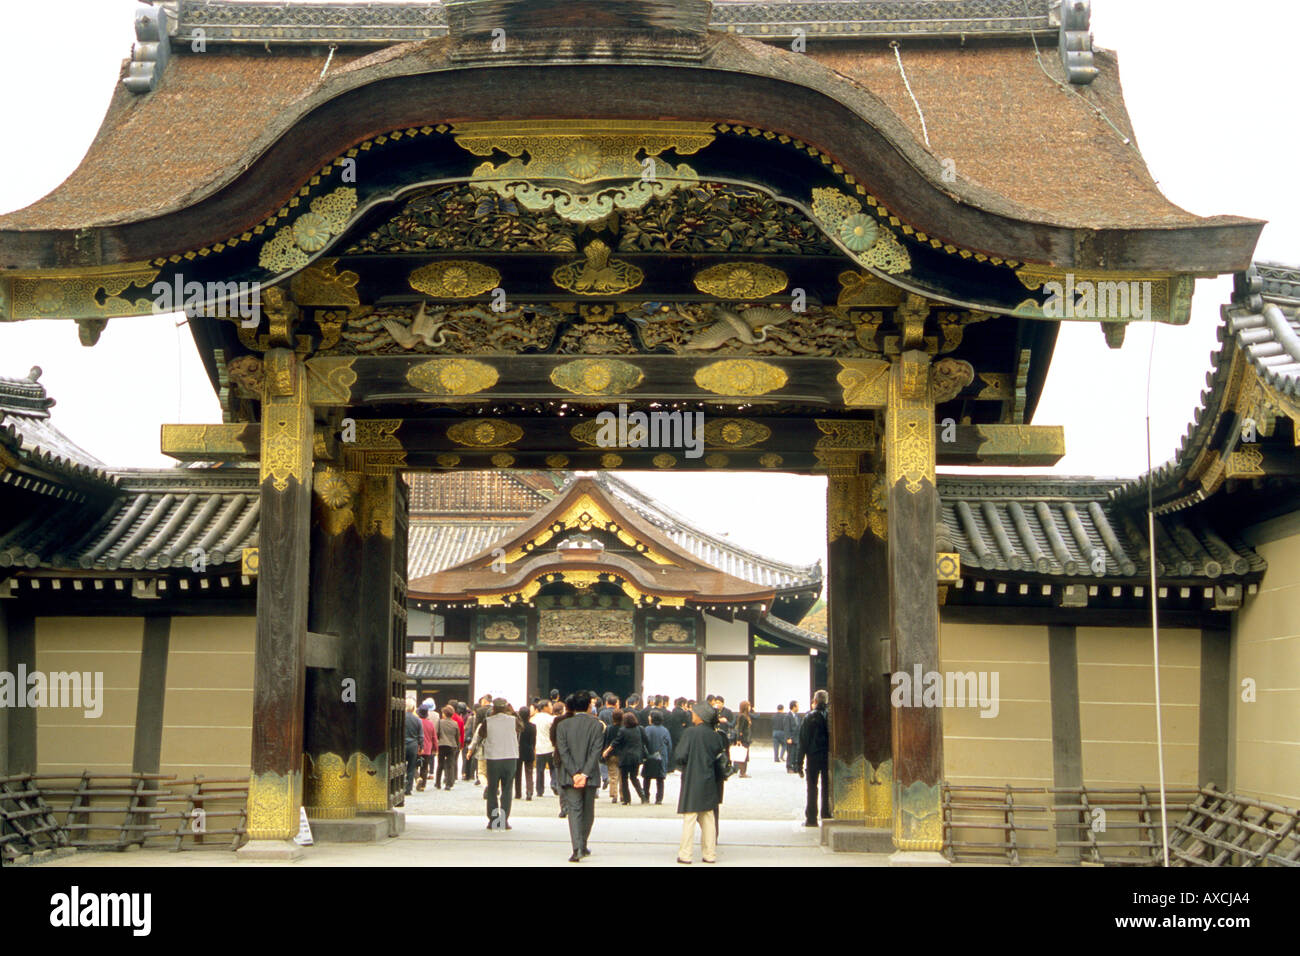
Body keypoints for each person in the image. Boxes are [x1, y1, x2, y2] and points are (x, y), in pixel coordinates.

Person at [555, 690, 605, 862]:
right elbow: (596, 751)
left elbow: (563, 751)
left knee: (574, 811)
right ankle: (583, 843)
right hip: (590, 775)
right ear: (589, 706)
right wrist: (584, 773)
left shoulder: (563, 726)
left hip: (570, 776)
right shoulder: (597, 725)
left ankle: (576, 848)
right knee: (588, 811)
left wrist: (575, 773)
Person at [674, 701, 724, 864]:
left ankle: (685, 854)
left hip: (691, 778)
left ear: (700, 716)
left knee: (690, 818)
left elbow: (680, 755)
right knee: (708, 818)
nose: (692, 715)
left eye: (694, 713)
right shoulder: (716, 736)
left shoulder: (690, 733)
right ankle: (710, 854)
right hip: (709, 780)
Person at [470, 697, 523, 830]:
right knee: (507, 789)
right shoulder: (513, 720)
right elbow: (522, 727)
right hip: (510, 757)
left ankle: (493, 820)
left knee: (493, 789)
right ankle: (504, 820)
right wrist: (514, 712)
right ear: (506, 707)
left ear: (493, 708)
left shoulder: (488, 721)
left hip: (493, 758)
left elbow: (482, 734)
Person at [800, 689, 831, 827]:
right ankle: (826, 814)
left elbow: (803, 741)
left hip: (813, 756)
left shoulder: (809, 717)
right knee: (827, 786)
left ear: (815, 701)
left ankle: (811, 818)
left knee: (812, 787)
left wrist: (798, 762)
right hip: (828, 756)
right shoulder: (830, 716)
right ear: (827, 701)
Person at [603, 711, 648, 805]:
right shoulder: (639, 729)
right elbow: (646, 741)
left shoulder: (623, 730)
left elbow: (616, 742)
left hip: (625, 757)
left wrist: (607, 751)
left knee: (624, 778)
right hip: (636, 757)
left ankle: (627, 799)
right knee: (634, 777)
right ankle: (643, 796)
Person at [641, 710, 672, 805]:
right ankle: (659, 799)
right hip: (661, 756)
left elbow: (643, 743)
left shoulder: (647, 729)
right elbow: (669, 745)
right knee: (660, 778)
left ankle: (646, 797)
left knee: (647, 777)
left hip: (649, 756)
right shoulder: (665, 730)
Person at [532, 700, 558, 795]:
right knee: (553, 768)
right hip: (550, 747)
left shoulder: (534, 719)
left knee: (540, 770)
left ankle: (539, 790)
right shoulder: (551, 719)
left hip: (539, 748)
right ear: (544, 707)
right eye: (550, 705)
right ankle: (554, 784)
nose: (552, 707)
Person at [602, 706, 624, 804]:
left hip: (611, 754)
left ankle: (614, 795)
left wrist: (605, 752)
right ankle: (623, 794)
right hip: (622, 754)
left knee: (613, 775)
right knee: (622, 776)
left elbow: (605, 740)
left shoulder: (609, 728)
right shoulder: (624, 729)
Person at [516, 704, 536, 801]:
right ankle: (529, 792)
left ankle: (518, 793)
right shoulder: (533, 726)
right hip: (529, 751)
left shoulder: (517, 727)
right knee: (529, 773)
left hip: (518, 751)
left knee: (517, 773)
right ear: (529, 715)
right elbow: (533, 741)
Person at [436, 705, 460, 790]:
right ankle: (449, 784)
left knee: (440, 764)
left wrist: (437, 743)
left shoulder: (440, 722)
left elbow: (437, 733)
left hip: (442, 745)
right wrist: (458, 745)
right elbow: (457, 735)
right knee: (450, 764)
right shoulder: (455, 723)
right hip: (452, 745)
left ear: (444, 714)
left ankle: (438, 783)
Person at [403, 700, 423, 796]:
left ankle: (399, 786)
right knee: (411, 768)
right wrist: (421, 747)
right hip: (413, 745)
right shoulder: (417, 720)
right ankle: (408, 789)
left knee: (399, 766)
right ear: (413, 708)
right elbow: (421, 736)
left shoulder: (401, 718)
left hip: (401, 745)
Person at [666, 697, 691, 768]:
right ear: (683, 704)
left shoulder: (673, 711)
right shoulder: (683, 713)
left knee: (673, 749)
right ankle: (679, 765)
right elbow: (686, 723)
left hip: (673, 733)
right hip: (680, 733)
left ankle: (672, 765)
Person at [416, 706, 436, 791]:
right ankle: (423, 785)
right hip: (427, 748)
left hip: (417, 747)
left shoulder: (417, 722)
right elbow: (434, 737)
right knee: (424, 767)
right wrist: (435, 748)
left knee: (414, 765)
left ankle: (417, 778)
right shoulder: (430, 723)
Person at [733, 700, 753, 778]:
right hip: (743, 738)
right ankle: (742, 772)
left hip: (746, 738)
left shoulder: (747, 716)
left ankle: (744, 772)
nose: (750, 707)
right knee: (742, 756)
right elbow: (740, 729)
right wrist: (739, 739)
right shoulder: (742, 716)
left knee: (745, 756)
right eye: (749, 706)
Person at [785, 700, 803, 775]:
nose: (798, 708)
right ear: (793, 707)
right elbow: (786, 728)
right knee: (790, 753)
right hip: (791, 737)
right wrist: (788, 737)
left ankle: (796, 767)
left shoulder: (798, 716)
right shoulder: (788, 716)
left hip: (797, 737)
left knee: (797, 753)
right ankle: (789, 767)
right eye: (797, 706)